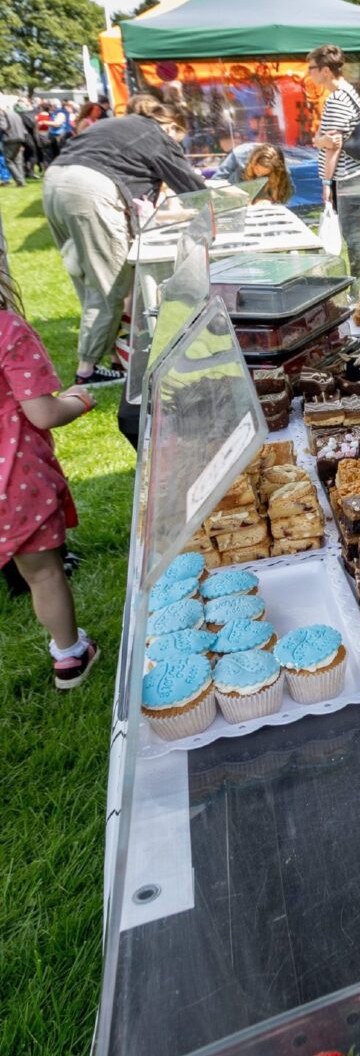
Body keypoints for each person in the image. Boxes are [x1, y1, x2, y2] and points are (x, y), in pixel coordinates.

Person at [42, 99, 205, 387]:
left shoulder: (120, 123)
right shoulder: (157, 134)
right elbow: (191, 187)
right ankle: (87, 370)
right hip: (90, 190)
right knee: (111, 284)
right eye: (179, 139)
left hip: (55, 181)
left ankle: (114, 357)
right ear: (171, 126)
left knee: (85, 273)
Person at [0, 263, 99, 689]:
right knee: (41, 573)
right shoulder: (8, 329)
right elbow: (43, 412)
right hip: (14, 479)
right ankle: (69, 656)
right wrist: (79, 400)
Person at [304, 44, 360, 280]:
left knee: (353, 237)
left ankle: (359, 286)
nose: (308, 73)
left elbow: (333, 146)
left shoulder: (336, 99)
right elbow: (334, 139)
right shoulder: (348, 92)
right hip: (355, 173)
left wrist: (326, 183)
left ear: (325, 71)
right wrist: (322, 140)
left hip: (346, 177)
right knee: (355, 235)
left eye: (311, 68)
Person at [0, 103, 25, 186]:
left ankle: (19, 181)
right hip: (20, 138)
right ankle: (22, 181)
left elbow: (3, 127)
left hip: (10, 139)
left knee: (8, 161)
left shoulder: (2, 114)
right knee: (18, 161)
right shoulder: (16, 114)